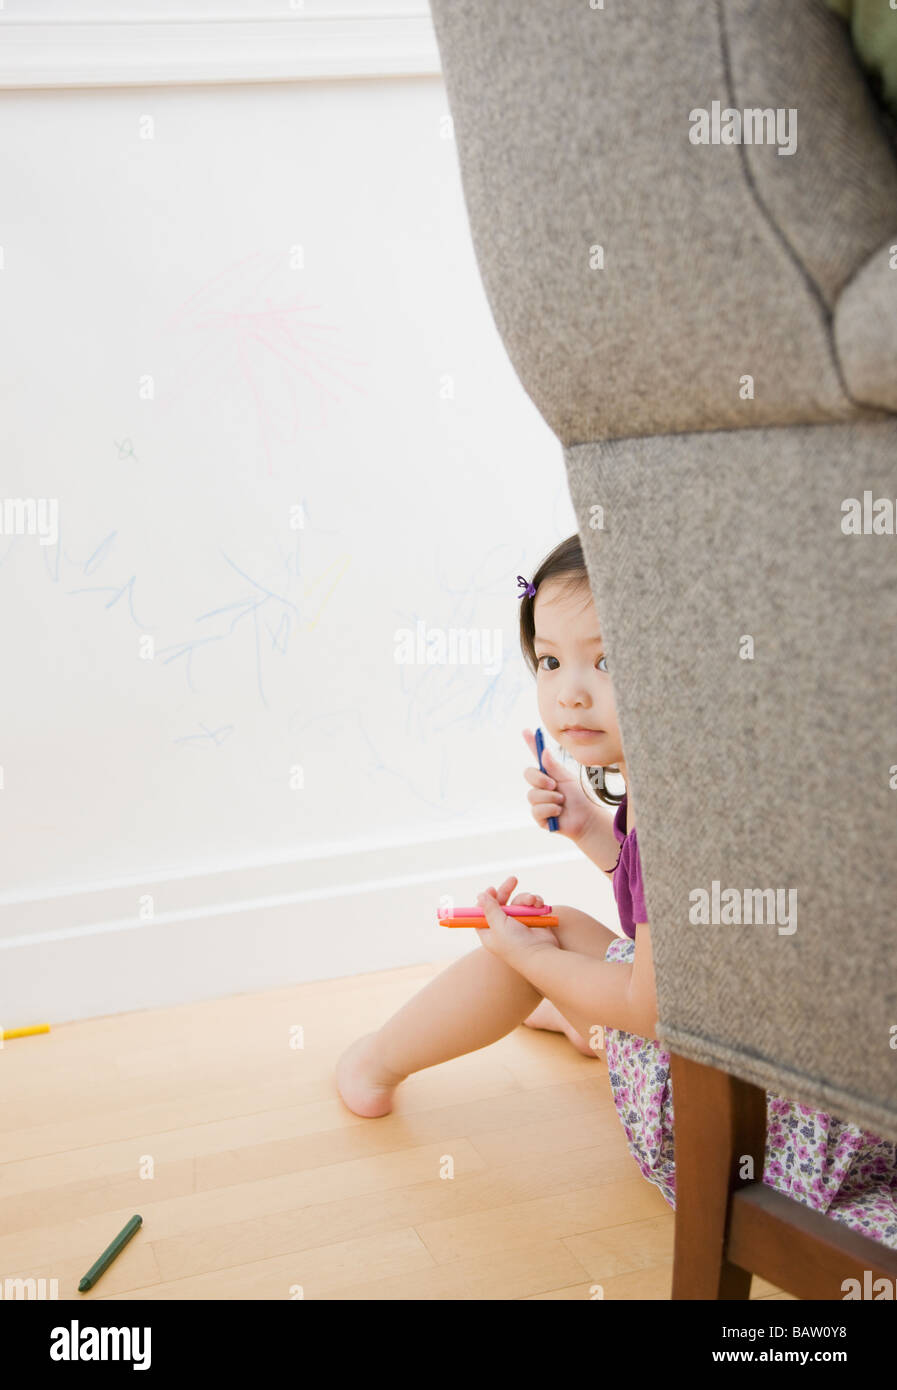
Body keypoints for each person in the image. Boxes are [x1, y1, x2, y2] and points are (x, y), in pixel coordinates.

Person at [336, 532, 897, 1250]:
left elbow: (653, 1004)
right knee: (569, 946)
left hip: (747, 1128)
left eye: (609, 660)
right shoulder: (716, 772)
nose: (569, 689)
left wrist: (527, 958)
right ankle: (577, 1014)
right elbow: (679, 929)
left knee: (542, 937)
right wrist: (593, 831)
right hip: (828, 1093)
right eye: (549, 659)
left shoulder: (677, 809)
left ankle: (374, 1065)